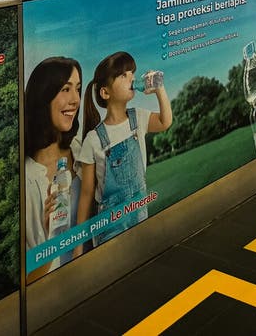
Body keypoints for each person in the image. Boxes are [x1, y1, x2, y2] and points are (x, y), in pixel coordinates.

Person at [75, 52, 172, 250]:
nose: (132, 77)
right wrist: (78, 248)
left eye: (132, 73)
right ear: (105, 93)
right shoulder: (93, 140)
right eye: (123, 75)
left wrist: (159, 89)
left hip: (140, 215)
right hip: (110, 228)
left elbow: (165, 121)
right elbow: (86, 195)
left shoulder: (139, 118)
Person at [24, 56, 83, 282]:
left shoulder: (80, 149)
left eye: (77, 89)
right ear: (43, 97)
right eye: (65, 89)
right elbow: (27, 279)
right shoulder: (28, 180)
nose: (75, 99)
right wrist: (52, 239)